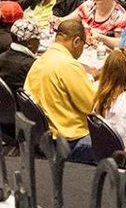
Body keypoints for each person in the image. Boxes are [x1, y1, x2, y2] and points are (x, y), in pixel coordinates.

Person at [25, 16, 97, 157]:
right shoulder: (68, 65)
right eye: (83, 44)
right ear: (77, 41)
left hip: (44, 135)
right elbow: (91, 106)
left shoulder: (39, 60)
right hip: (68, 139)